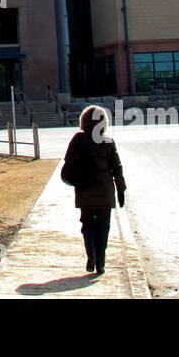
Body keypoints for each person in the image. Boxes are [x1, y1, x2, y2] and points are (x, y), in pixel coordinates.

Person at [63, 105, 126, 275]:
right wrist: (121, 191)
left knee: (87, 225)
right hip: (105, 192)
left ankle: (91, 256)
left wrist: (75, 181)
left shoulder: (78, 139)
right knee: (103, 227)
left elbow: (68, 163)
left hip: (84, 190)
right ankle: (101, 263)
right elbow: (117, 169)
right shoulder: (108, 142)